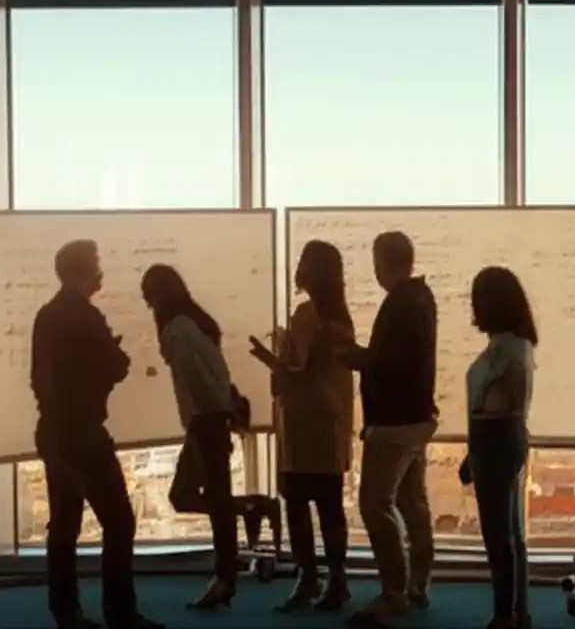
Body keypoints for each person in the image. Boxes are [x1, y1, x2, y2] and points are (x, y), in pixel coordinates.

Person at [29, 240, 163, 629]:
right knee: (119, 521)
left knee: (64, 526)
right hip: (85, 432)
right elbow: (117, 365)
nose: (101, 273)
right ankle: (120, 612)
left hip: (56, 430)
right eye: (96, 265)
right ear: (83, 271)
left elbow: (41, 378)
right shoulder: (86, 317)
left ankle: (66, 613)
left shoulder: (47, 315)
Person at [251, 240, 356, 613]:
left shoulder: (318, 319)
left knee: (308, 502)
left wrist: (272, 360)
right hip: (312, 422)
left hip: (310, 421)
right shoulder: (331, 318)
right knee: (318, 503)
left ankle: (316, 577)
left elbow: (300, 370)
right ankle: (326, 578)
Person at [346, 231, 438, 622]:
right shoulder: (422, 298)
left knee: (375, 502)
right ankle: (418, 584)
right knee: (411, 502)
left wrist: (354, 357)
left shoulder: (400, 304)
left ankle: (394, 591)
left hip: (394, 422)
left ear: (383, 262)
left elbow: (390, 364)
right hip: (416, 417)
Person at [140, 264, 242, 610]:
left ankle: (225, 574)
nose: (149, 306)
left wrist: (203, 421)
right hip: (213, 418)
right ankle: (227, 570)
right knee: (217, 496)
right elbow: (214, 375)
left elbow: (195, 380)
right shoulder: (196, 324)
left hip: (205, 421)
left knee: (189, 496)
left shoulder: (177, 330)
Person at [459, 267, 537, 629]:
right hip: (498, 440)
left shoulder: (506, 350)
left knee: (498, 535)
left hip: (496, 439)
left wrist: (479, 448)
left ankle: (505, 615)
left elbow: (506, 402)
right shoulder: (514, 346)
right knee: (511, 533)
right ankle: (516, 612)